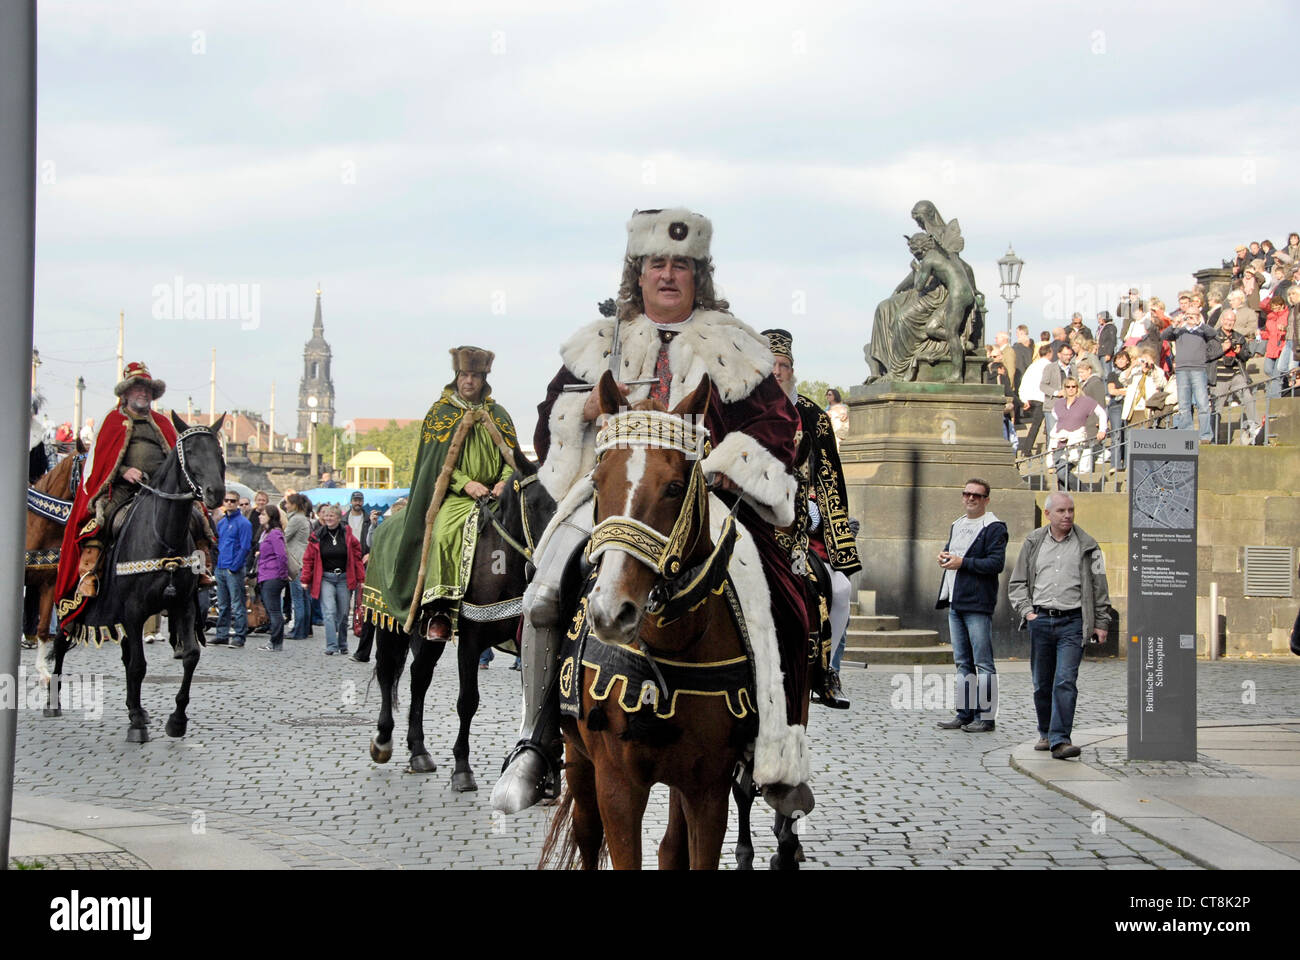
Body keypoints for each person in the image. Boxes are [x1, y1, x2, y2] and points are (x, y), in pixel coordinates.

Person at [492, 207, 806, 818]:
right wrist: (576, 416)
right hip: (609, 497)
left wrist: (719, 464)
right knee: (543, 589)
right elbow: (545, 428)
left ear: (699, 276)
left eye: (682, 266)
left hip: (705, 496)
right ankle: (536, 742)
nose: (668, 275)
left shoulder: (738, 346)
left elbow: (778, 428)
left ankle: (773, 751)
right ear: (637, 275)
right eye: (657, 264)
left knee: (781, 592)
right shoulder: (595, 344)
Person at [361, 346, 519, 641]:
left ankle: (519, 607)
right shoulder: (440, 414)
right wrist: (465, 484)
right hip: (456, 496)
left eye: (474, 375)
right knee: (444, 532)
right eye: (463, 375)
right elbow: (434, 465)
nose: (468, 381)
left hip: (497, 495)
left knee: (521, 534)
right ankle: (440, 609)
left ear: (484, 379)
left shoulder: (499, 414)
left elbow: (513, 458)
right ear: (456, 376)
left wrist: (503, 482)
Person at [53, 362, 201, 637]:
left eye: (147, 389)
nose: (143, 393)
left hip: (161, 492)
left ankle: (200, 572)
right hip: (123, 489)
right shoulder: (111, 422)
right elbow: (100, 463)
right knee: (102, 520)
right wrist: (123, 471)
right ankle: (90, 575)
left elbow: (178, 459)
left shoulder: (164, 424)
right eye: (138, 388)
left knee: (196, 519)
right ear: (127, 392)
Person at [767, 328, 862, 710]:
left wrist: (821, 515)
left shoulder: (814, 418)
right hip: (752, 523)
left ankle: (826, 670)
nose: (777, 372)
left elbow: (830, 478)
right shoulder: (739, 409)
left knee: (841, 591)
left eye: (784, 366)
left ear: (792, 370)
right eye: (771, 365)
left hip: (806, 530)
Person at [1007, 492, 1111, 760]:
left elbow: (1100, 587)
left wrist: (1101, 622)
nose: (1067, 515)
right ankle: (1045, 732)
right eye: (1062, 511)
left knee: (1065, 680)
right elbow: (1017, 583)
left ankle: (1060, 740)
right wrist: (1027, 612)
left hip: (1073, 622)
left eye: (1071, 510)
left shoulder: (1089, 546)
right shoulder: (1033, 542)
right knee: (1042, 683)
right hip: (1040, 620)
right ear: (1048, 514)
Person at [935, 478, 1007, 733]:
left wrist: (962, 563)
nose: (971, 498)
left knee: (983, 662)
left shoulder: (994, 526)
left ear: (986, 499)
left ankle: (986, 717)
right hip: (955, 600)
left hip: (978, 602)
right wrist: (944, 556)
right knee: (962, 662)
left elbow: (995, 564)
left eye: (977, 495)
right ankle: (965, 713)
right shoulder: (957, 524)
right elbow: (952, 552)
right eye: (967, 494)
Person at [301, 503, 364, 655]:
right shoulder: (317, 536)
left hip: (344, 577)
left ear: (338, 517)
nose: (328, 518)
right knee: (329, 612)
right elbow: (308, 559)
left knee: (343, 614)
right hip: (325, 578)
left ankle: (342, 643)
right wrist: (305, 579)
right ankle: (331, 645)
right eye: (326, 516)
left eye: (332, 516)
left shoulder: (347, 534)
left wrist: (361, 578)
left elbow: (357, 557)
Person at [1161, 307, 1217, 441]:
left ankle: (1205, 436)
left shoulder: (1202, 330)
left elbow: (1213, 333)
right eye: (1188, 314)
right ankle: (1187, 435)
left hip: (1198, 369)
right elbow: (1164, 336)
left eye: (1194, 314)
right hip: (1182, 370)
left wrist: (1199, 323)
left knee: (1203, 404)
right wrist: (1174, 324)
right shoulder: (1179, 330)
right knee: (1184, 405)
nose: (1191, 317)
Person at [211, 491, 253, 648]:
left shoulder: (243, 523)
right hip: (221, 567)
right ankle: (222, 634)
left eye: (233, 501)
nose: (229, 503)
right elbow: (218, 545)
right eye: (227, 500)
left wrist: (234, 567)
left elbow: (245, 547)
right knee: (222, 604)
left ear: (237, 503)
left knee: (237, 604)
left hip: (232, 568)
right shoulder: (221, 522)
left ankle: (240, 636)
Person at [1209, 311, 1259, 441]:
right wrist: (1223, 349)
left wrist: (1240, 352)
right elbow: (1207, 355)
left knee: (1248, 398)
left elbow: (1247, 355)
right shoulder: (1213, 336)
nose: (1229, 322)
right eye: (1226, 320)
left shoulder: (1239, 337)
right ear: (1222, 320)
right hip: (1219, 376)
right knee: (1217, 407)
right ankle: (1213, 437)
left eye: (1232, 320)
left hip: (1236, 374)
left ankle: (1257, 429)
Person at [1049, 377, 1105, 489]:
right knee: (1060, 474)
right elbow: (1055, 415)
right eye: (1068, 387)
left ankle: (1084, 491)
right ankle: (1064, 500)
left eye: (1073, 386)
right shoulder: (1059, 403)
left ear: (1077, 388)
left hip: (1076, 439)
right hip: (1058, 441)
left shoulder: (1086, 401)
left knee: (1062, 472)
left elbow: (1101, 413)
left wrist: (1102, 430)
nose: (1070, 389)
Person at [256, 504, 289, 651]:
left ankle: (275, 642)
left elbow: (281, 555)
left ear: (270, 516)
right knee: (272, 610)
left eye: (263, 514)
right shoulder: (266, 533)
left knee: (274, 610)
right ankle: (276, 642)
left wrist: (282, 575)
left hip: (273, 575)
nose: (260, 516)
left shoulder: (275, 533)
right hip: (266, 574)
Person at [283, 493, 312, 638]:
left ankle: (299, 630)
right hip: (303, 561)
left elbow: (284, 537)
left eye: (287, 503)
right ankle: (304, 629)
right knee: (304, 598)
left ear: (294, 504)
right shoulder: (303, 518)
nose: (285, 506)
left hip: (296, 561)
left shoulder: (296, 519)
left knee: (298, 598)